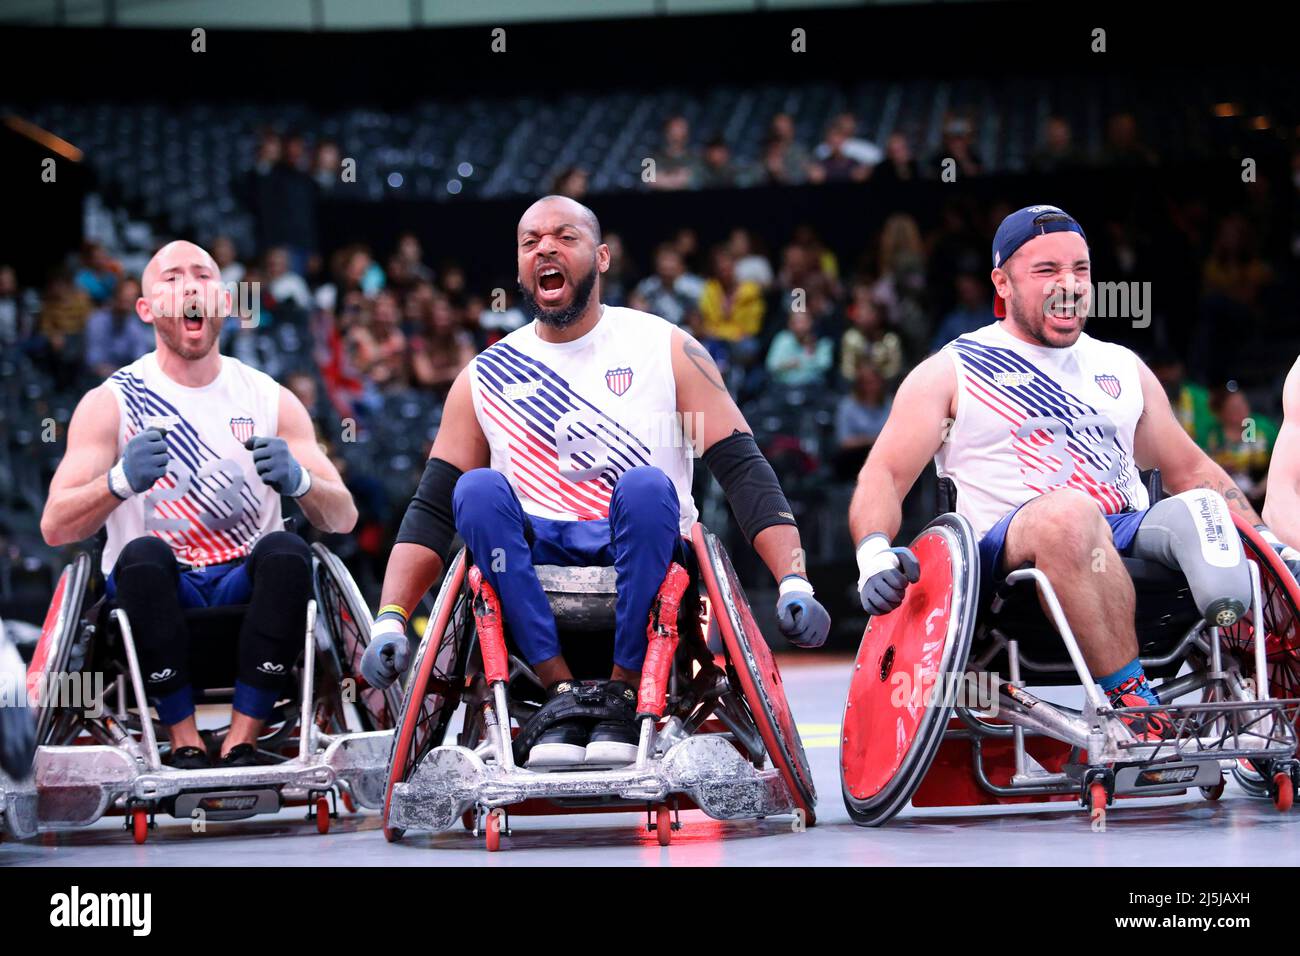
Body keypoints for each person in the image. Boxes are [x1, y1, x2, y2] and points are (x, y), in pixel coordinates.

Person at [360, 196, 829, 766]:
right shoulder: (483, 375)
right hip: (531, 571)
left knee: (646, 487)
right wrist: (389, 617)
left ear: (602, 256)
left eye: (565, 236)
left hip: (646, 561)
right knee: (474, 491)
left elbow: (743, 470)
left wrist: (794, 582)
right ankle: (560, 693)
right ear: (519, 269)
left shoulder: (667, 348)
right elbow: (432, 510)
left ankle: (624, 690)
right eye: (531, 242)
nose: (546, 249)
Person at [847, 205, 1276, 742]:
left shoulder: (1122, 366)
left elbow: (1191, 468)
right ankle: (1134, 703)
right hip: (1005, 555)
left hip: (1121, 533)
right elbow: (882, 475)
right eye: (1047, 271)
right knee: (1070, 513)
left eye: (1081, 269)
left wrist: (1272, 551)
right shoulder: (949, 370)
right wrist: (872, 553)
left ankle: (1248, 677)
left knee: (1206, 509)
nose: (1069, 285)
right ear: (1001, 282)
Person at [40, 241, 357, 769]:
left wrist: (302, 481)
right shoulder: (112, 401)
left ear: (225, 301)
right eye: (171, 278)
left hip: (247, 595)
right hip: (156, 598)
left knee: (286, 548)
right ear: (146, 309)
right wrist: (117, 482)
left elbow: (341, 517)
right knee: (142, 555)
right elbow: (54, 525)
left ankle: (241, 736)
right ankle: (183, 735)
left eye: (203, 275)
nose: (189, 286)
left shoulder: (268, 397)